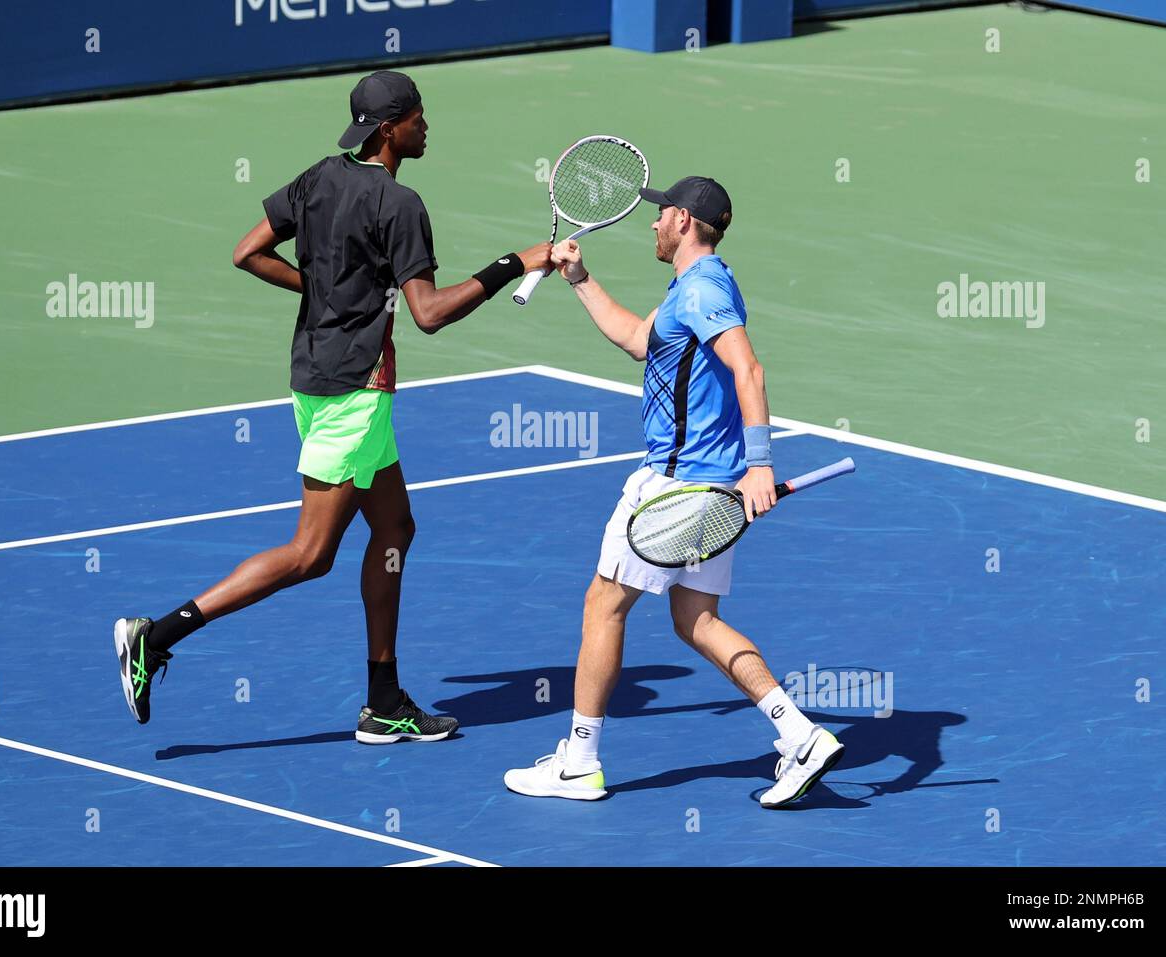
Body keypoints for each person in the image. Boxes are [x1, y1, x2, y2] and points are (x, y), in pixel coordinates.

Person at [114, 70, 552, 744]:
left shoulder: (318, 177)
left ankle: (384, 700)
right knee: (310, 554)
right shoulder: (399, 203)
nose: (426, 127)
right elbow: (429, 314)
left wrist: (320, 294)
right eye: (418, 117)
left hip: (316, 383)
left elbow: (247, 252)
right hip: (355, 394)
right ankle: (155, 635)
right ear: (390, 128)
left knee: (396, 529)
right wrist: (512, 264)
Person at [503, 176, 843, 807]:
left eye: (661, 215)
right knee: (697, 620)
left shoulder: (704, 291)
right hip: (710, 487)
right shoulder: (700, 285)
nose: (653, 223)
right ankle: (798, 735)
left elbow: (749, 368)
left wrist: (762, 464)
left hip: (675, 485)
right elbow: (639, 341)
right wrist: (581, 280)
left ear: (684, 220)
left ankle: (578, 763)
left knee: (603, 604)